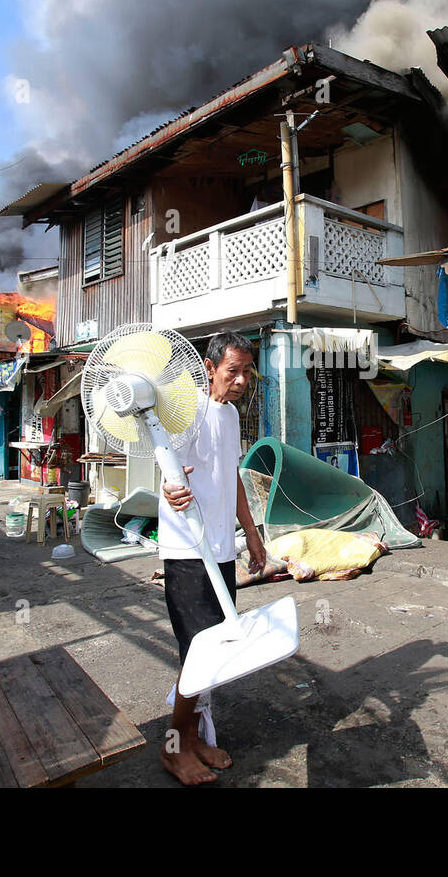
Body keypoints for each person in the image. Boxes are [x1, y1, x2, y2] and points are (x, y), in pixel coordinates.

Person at [158, 330, 266, 785]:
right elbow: (167, 469)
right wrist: (171, 489)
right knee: (194, 654)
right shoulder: (186, 413)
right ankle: (174, 747)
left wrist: (253, 535)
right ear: (209, 367)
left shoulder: (228, 416)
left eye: (245, 372)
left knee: (216, 649)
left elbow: (234, 478)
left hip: (221, 549)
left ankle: (196, 736)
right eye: (232, 371)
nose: (240, 380)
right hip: (187, 550)